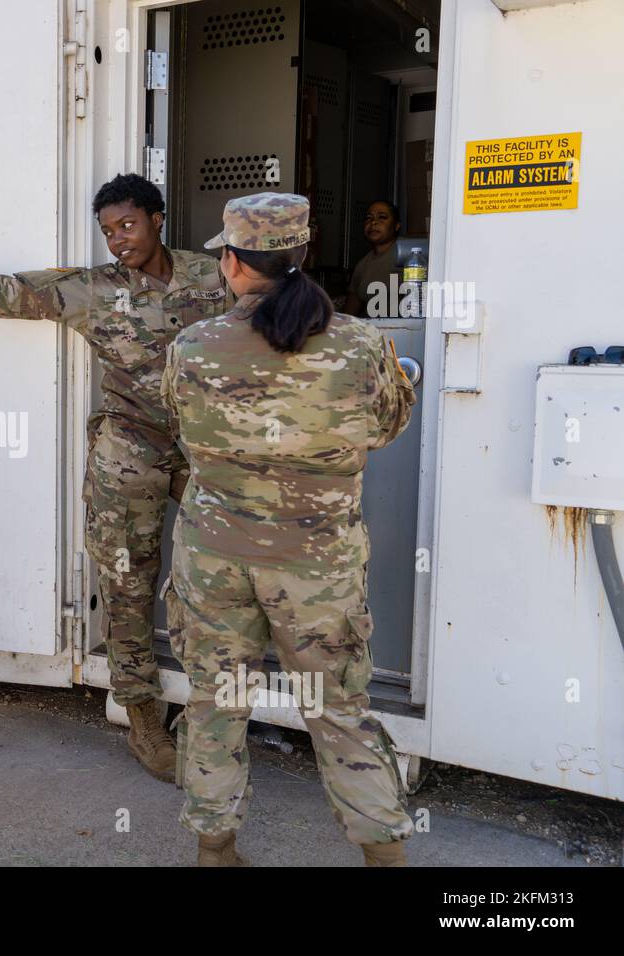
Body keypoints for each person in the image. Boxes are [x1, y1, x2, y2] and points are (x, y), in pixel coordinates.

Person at [0, 173, 231, 782]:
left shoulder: (213, 276)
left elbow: (273, 311)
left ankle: (213, 714)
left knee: (217, 580)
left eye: (128, 225)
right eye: (108, 231)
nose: (118, 240)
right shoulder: (93, 289)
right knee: (125, 585)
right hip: (128, 449)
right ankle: (143, 720)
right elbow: (7, 291)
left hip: (204, 450)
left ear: (158, 218)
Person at [161, 193, 417, 867]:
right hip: (316, 570)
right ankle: (385, 860)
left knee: (217, 703)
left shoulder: (193, 348)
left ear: (234, 264)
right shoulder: (358, 345)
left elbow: (184, 429)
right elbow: (386, 427)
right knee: (336, 710)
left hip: (215, 559)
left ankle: (215, 853)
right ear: (301, 256)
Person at [345, 199, 402, 318]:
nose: (373, 222)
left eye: (382, 217)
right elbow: (349, 315)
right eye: (368, 218)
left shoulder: (409, 256)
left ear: (397, 226)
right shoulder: (363, 265)